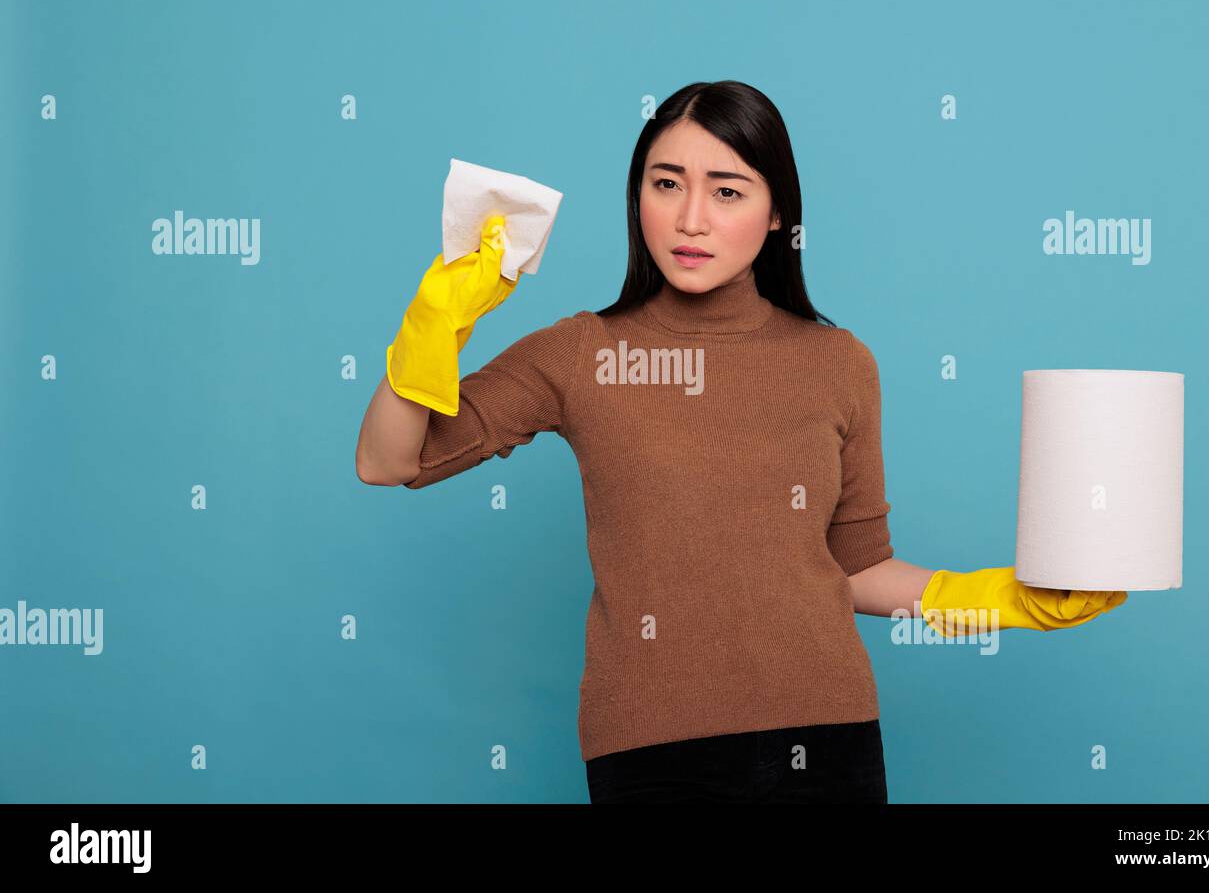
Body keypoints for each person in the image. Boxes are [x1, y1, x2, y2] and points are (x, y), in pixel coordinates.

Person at [355, 80, 1127, 804]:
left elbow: (854, 570)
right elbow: (388, 461)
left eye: (727, 191)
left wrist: (1001, 598)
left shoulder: (839, 361)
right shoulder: (580, 354)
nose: (691, 219)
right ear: (637, 199)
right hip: (652, 752)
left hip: (831, 739)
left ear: (778, 215)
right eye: (666, 183)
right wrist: (436, 324)